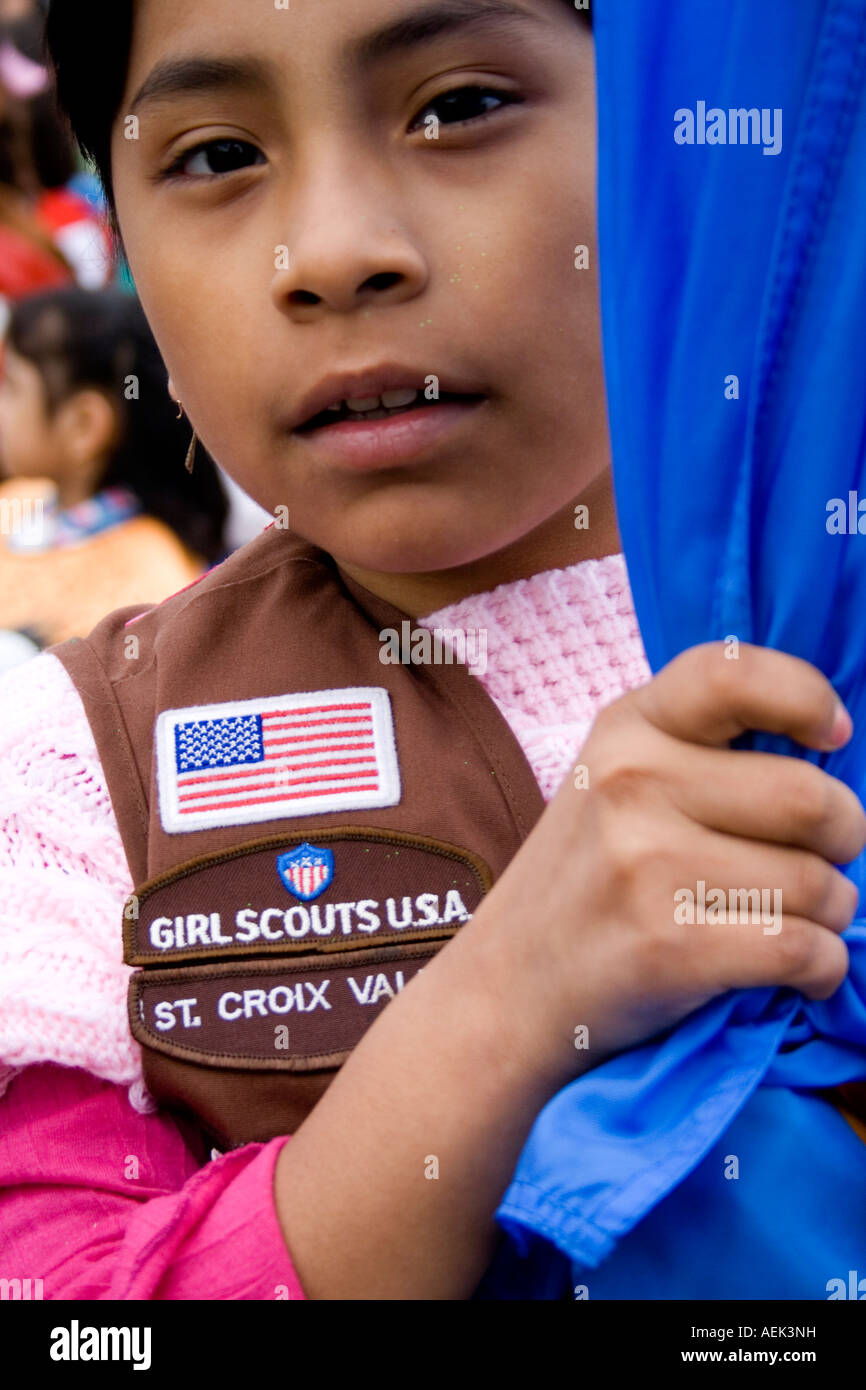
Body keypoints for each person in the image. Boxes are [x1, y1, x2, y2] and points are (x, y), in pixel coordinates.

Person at [0, 0, 861, 1302]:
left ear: (660, 130)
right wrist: (501, 1004)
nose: (334, 254)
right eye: (218, 155)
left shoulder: (829, 615)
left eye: (456, 108)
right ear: (120, 233)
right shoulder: (80, 779)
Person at [0, 285, 228, 655]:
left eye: (12, 387)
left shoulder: (146, 581)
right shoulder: (23, 499)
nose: (2, 406)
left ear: (83, 425)